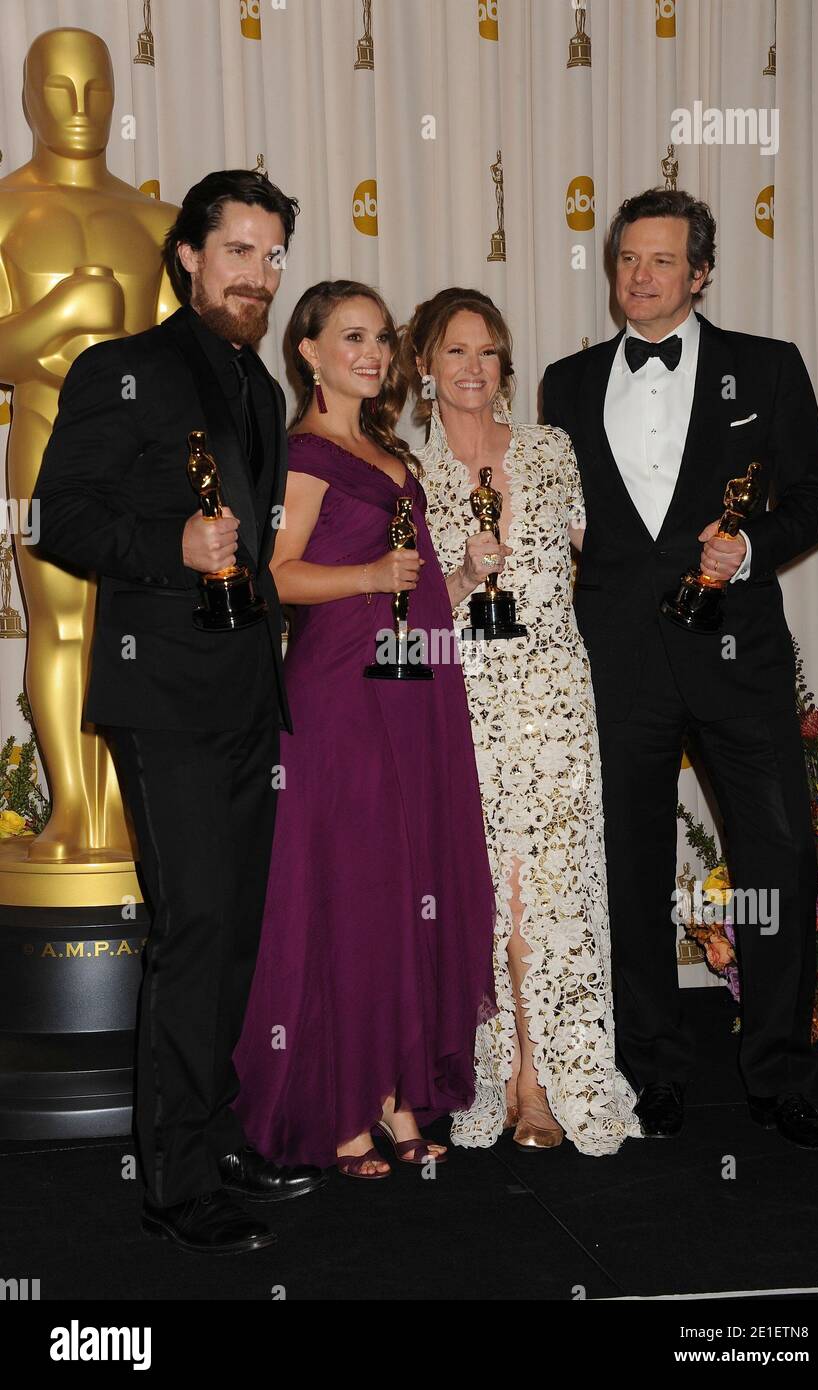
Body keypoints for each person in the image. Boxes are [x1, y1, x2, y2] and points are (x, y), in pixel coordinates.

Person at [34, 170, 326, 1255]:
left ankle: (217, 1135)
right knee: (195, 929)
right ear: (190, 257)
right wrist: (170, 550)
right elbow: (61, 515)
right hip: (161, 692)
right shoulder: (124, 370)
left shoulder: (257, 387)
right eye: (238, 251)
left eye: (270, 255)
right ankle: (175, 1180)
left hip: (248, 692)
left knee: (233, 935)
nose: (257, 274)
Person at [542, 188, 818, 1149]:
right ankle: (648, 1070)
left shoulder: (767, 367)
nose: (640, 276)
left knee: (779, 858)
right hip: (618, 656)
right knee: (626, 866)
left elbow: (814, 501)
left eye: (662, 261)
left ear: (700, 272)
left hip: (737, 655)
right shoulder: (566, 381)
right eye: (627, 258)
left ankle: (779, 1076)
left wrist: (747, 551)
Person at [232, 280, 497, 1178]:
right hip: (340, 692)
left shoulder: (388, 449)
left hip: (414, 683)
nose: (374, 353)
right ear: (306, 350)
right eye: (351, 337)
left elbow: (411, 583)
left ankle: (391, 1093)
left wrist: (456, 577)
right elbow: (272, 575)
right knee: (348, 891)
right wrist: (367, 576)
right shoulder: (303, 452)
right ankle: (340, 1109)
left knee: (402, 885)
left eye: (381, 338)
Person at [399, 288, 639, 1154]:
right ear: (422, 367)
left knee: (549, 893)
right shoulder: (405, 474)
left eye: (489, 351)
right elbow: (399, 615)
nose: (473, 368)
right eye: (455, 351)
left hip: (552, 700)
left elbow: (609, 564)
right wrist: (461, 576)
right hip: (456, 699)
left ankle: (541, 1082)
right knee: (482, 892)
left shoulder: (548, 451)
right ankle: (489, 1077)